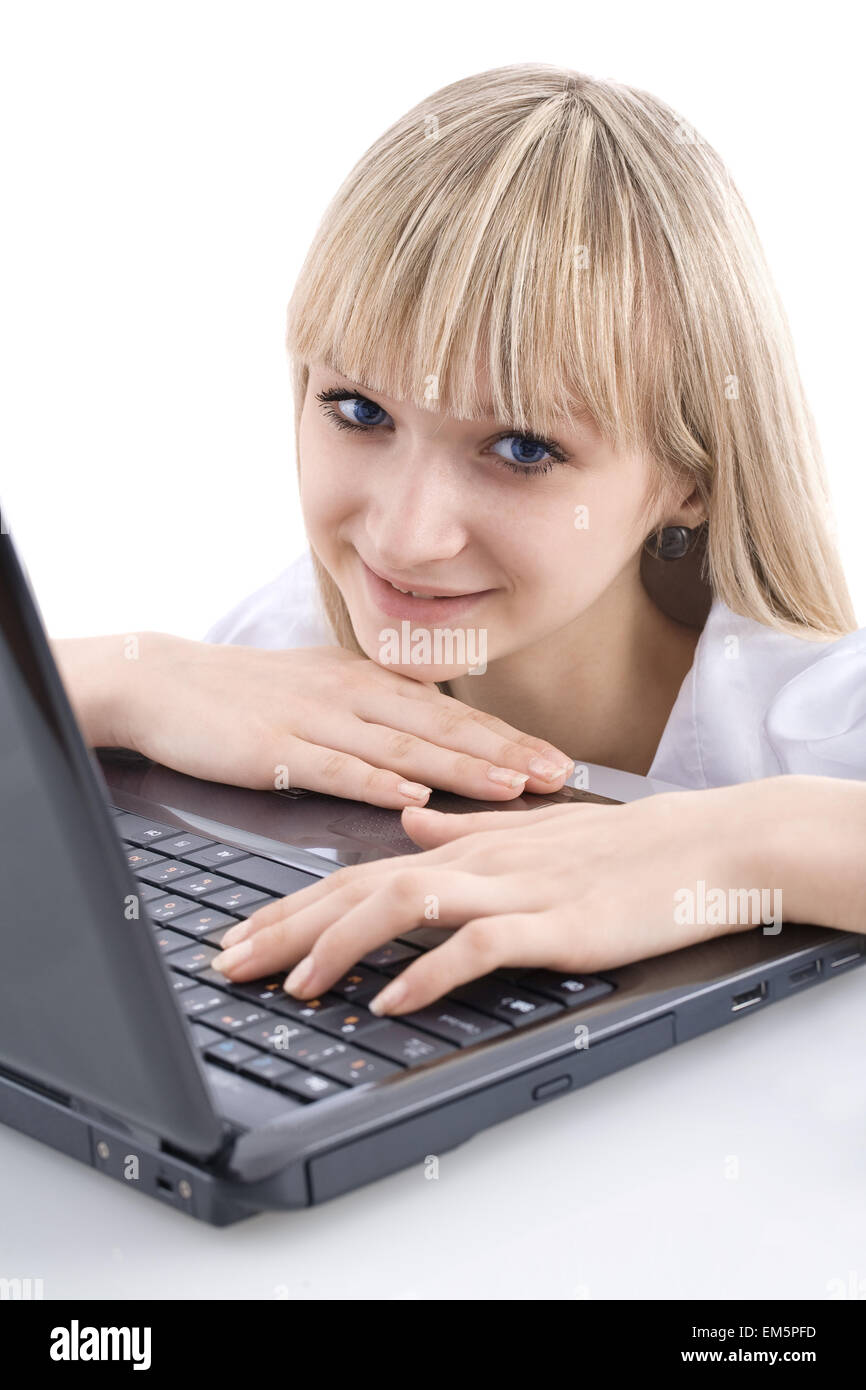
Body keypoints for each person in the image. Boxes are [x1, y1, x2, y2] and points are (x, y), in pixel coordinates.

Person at [53, 64, 866, 1018]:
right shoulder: (277, 652)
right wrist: (115, 678)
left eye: (522, 449)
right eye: (358, 409)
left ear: (688, 481)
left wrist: (736, 844)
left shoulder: (817, 726)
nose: (406, 534)